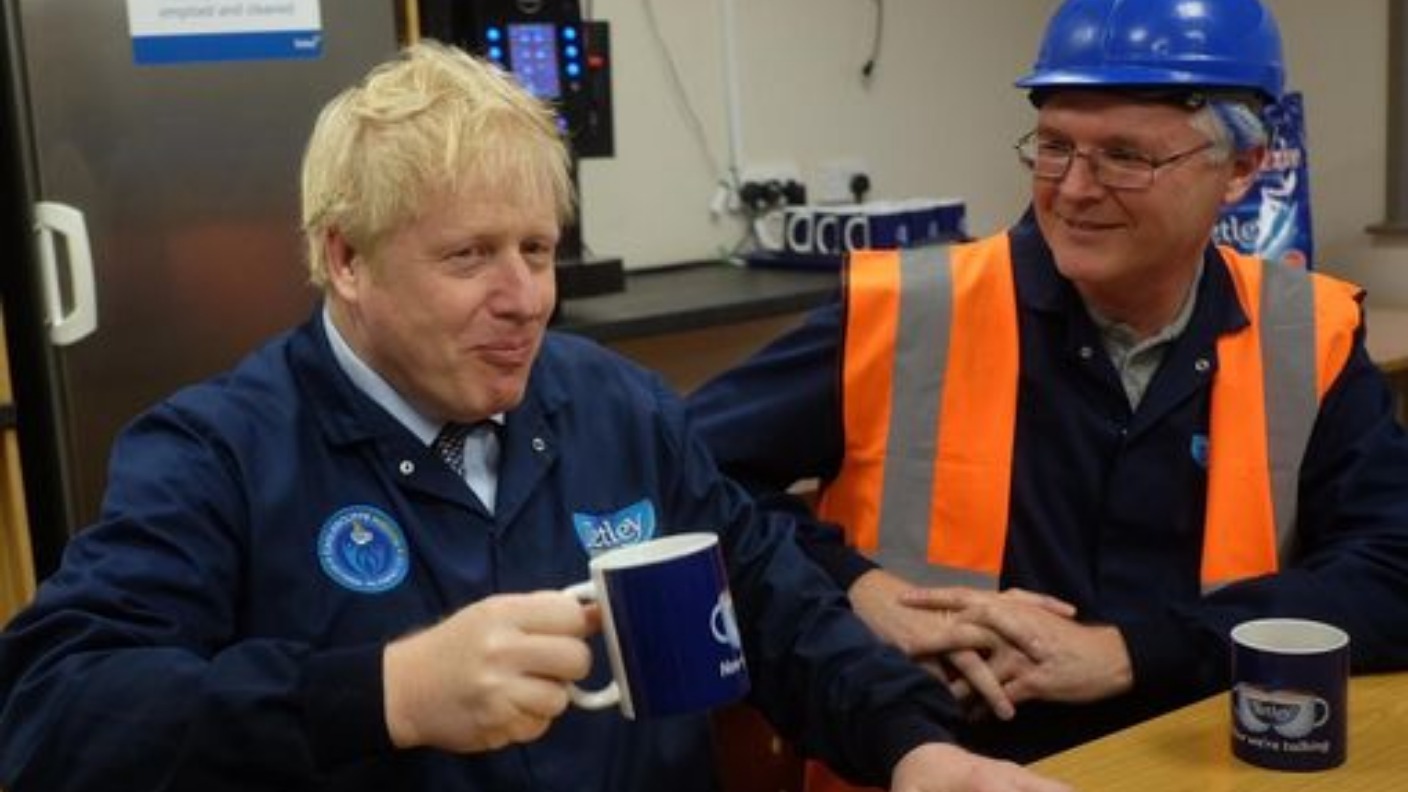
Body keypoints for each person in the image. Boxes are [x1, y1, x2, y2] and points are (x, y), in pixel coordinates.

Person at [0, 41, 1071, 792]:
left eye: (538, 249)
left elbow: (780, 615)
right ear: (345, 259)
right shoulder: (216, 453)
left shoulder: (617, 403)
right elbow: (52, 718)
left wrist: (914, 749)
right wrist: (384, 694)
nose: (524, 300)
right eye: (468, 256)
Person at [688, 0, 1408, 778]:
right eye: (1055, 147)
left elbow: (1393, 570)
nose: (1073, 190)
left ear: (1241, 168)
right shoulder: (907, 314)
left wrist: (1131, 653)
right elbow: (682, 474)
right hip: (933, 764)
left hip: (1202, 757)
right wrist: (861, 589)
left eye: (1126, 157)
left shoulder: (1307, 332)